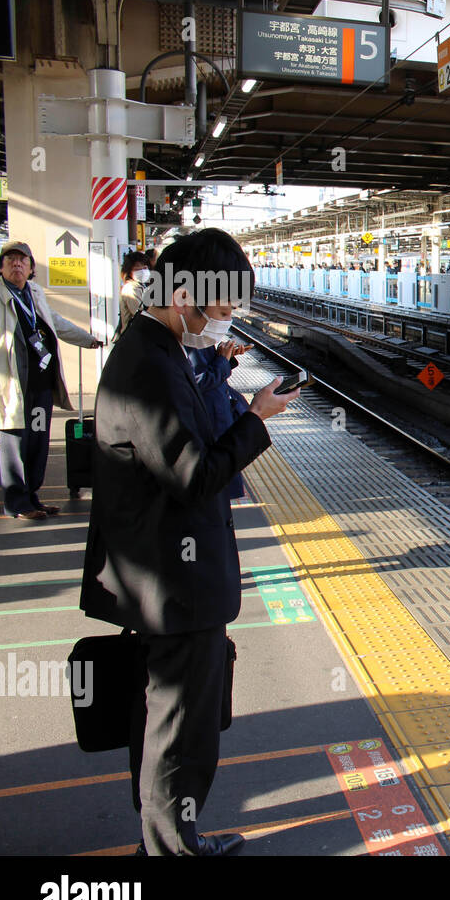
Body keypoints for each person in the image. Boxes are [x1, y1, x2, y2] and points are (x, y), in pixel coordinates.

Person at [80, 228, 298, 856]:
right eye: (217, 309)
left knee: (163, 723)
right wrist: (257, 419)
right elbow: (194, 475)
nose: (221, 323)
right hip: (173, 586)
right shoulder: (149, 364)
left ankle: (167, 836)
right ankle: (173, 847)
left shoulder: (160, 350)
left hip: (167, 580)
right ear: (182, 294)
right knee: (178, 730)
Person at [0, 241, 103, 520]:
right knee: (16, 443)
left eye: (23, 260)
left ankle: (33, 497)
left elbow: (56, 323)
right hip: (13, 386)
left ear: (31, 268)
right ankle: (17, 503)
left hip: (41, 385)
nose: (17, 264)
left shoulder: (35, 294)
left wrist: (87, 339)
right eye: (11, 260)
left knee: (38, 442)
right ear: (1, 267)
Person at [188, 337, 254, 500]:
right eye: (223, 314)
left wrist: (225, 357)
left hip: (216, 423)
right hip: (209, 430)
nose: (228, 319)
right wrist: (222, 360)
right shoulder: (186, 340)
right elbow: (197, 382)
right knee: (214, 497)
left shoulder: (196, 336)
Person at [117, 250, 152, 340]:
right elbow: (140, 314)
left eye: (145, 268)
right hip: (134, 338)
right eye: (138, 269)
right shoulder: (131, 289)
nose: (143, 272)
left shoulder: (141, 286)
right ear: (129, 272)